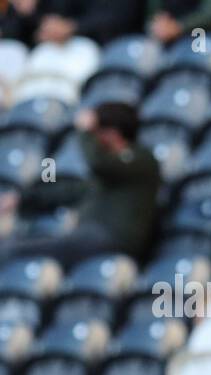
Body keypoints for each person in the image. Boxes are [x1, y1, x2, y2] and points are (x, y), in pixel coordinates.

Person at [0, 103, 159, 270]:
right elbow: (72, 190)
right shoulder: (111, 176)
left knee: (14, 251)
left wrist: (84, 132)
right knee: (13, 243)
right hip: (90, 236)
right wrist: (20, 199)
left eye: (96, 132)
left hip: (112, 238)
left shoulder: (140, 159)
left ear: (111, 134)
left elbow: (100, 164)